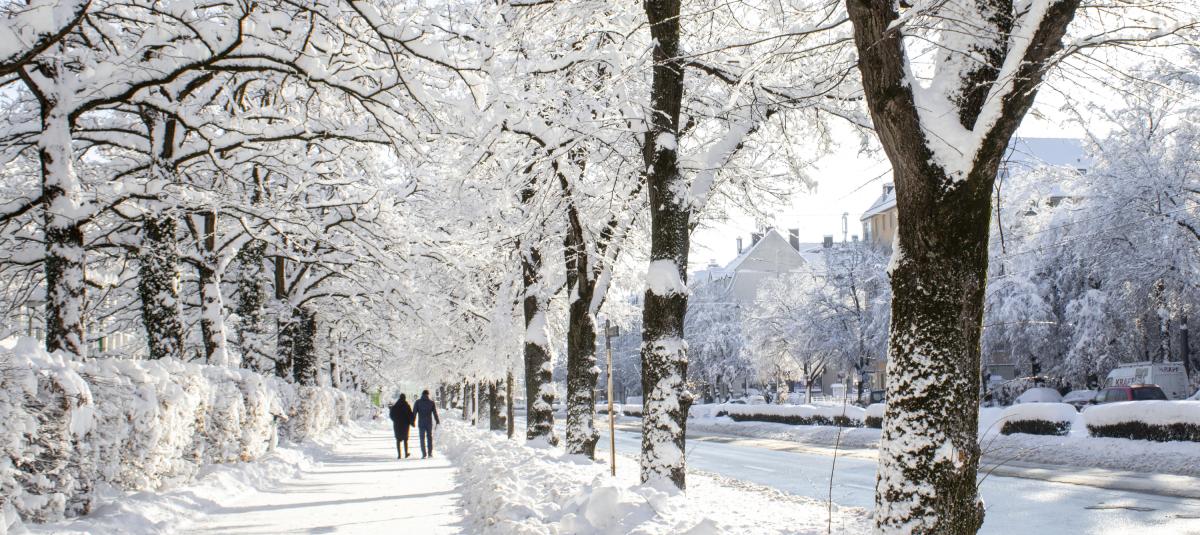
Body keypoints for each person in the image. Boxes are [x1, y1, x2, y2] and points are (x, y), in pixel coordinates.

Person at [413, 389, 440, 458]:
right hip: (429, 422)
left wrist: (412, 421)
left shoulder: (417, 402)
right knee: (429, 438)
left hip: (421, 423)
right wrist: (437, 421)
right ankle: (430, 453)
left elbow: (414, 413)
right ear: (428, 395)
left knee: (422, 438)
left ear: (422, 394)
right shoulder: (431, 402)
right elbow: (435, 413)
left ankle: (424, 454)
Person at [388, 394, 414, 459]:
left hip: (397, 424)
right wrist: (411, 422)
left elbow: (391, 414)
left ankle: (399, 455)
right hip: (405, 425)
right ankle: (406, 453)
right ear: (404, 398)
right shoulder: (407, 406)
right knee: (405, 439)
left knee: (398, 439)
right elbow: (410, 415)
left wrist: (395, 420)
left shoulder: (395, 406)